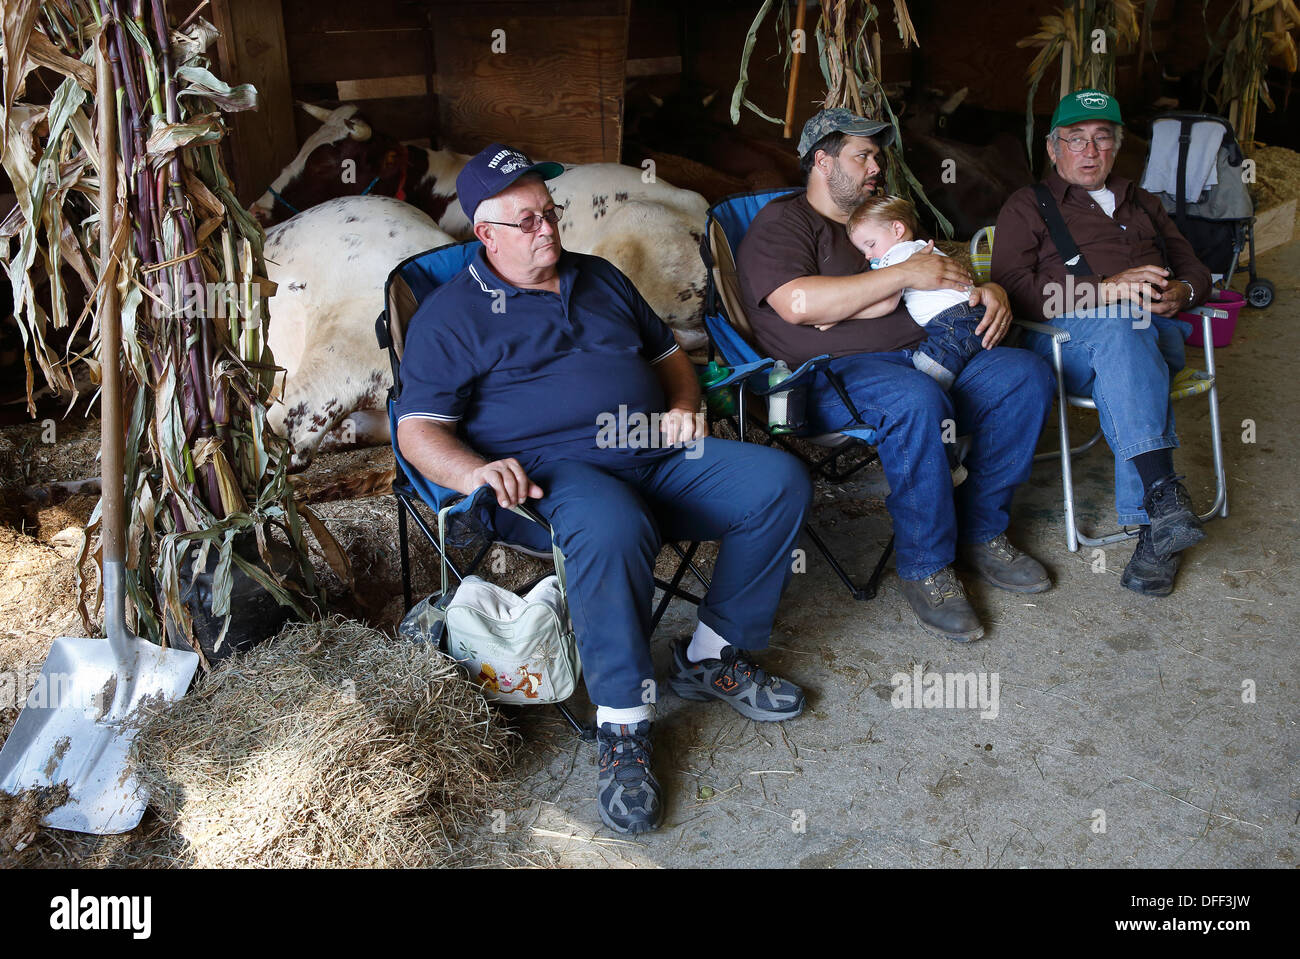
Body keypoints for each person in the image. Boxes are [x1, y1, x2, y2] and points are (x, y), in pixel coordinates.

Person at [394, 143, 813, 835]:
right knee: (613, 525)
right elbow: (416, 432)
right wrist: (472, 473)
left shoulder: (600, 277)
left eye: (549, 213)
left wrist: (683, 407)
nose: (548, 229)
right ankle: (622, 725)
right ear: (485, 235)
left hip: (652, 453)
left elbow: (668, 354)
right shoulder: (451, 317)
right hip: (554, 480)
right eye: (526, 221)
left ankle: (712, 653)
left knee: (777, 481)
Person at [736, 108, 1057, 645]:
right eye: (862, 156)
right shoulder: (783, 222)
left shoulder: (877, 219)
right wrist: (906, 272)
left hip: (931, 353)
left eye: (877, 158)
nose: (874, 168)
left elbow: (939, 271)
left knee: (1023, 374)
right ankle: (926, 566)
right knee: (914, 400)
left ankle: (982, 531)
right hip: (830, 376)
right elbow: (797, 303)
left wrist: (990, 291)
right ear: (822, 161)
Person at [992, 89, 1213, 597]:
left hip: (1156, 336)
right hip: (1063, 342)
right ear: (1053, 148)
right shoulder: (1028, 206)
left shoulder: (1144, 202)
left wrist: (1183, 291)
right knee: (1119, 325)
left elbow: (1197, 269)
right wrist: (1106, 290)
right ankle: (1158, 511)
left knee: (1130, 336)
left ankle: (1159, 502)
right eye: (1076, 140)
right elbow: (1015, 291)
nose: (1089, 151)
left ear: (1116, 146)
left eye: (1102, 139)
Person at [846, 195, 987, 390]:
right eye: (863, 251)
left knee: (926, 376)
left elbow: (886, 303)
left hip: (952, 322)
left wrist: (843, 315)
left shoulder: (896, 256)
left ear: (897, 229)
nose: (868, 256)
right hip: (972, 312)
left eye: (870, 245)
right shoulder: (923, 248)